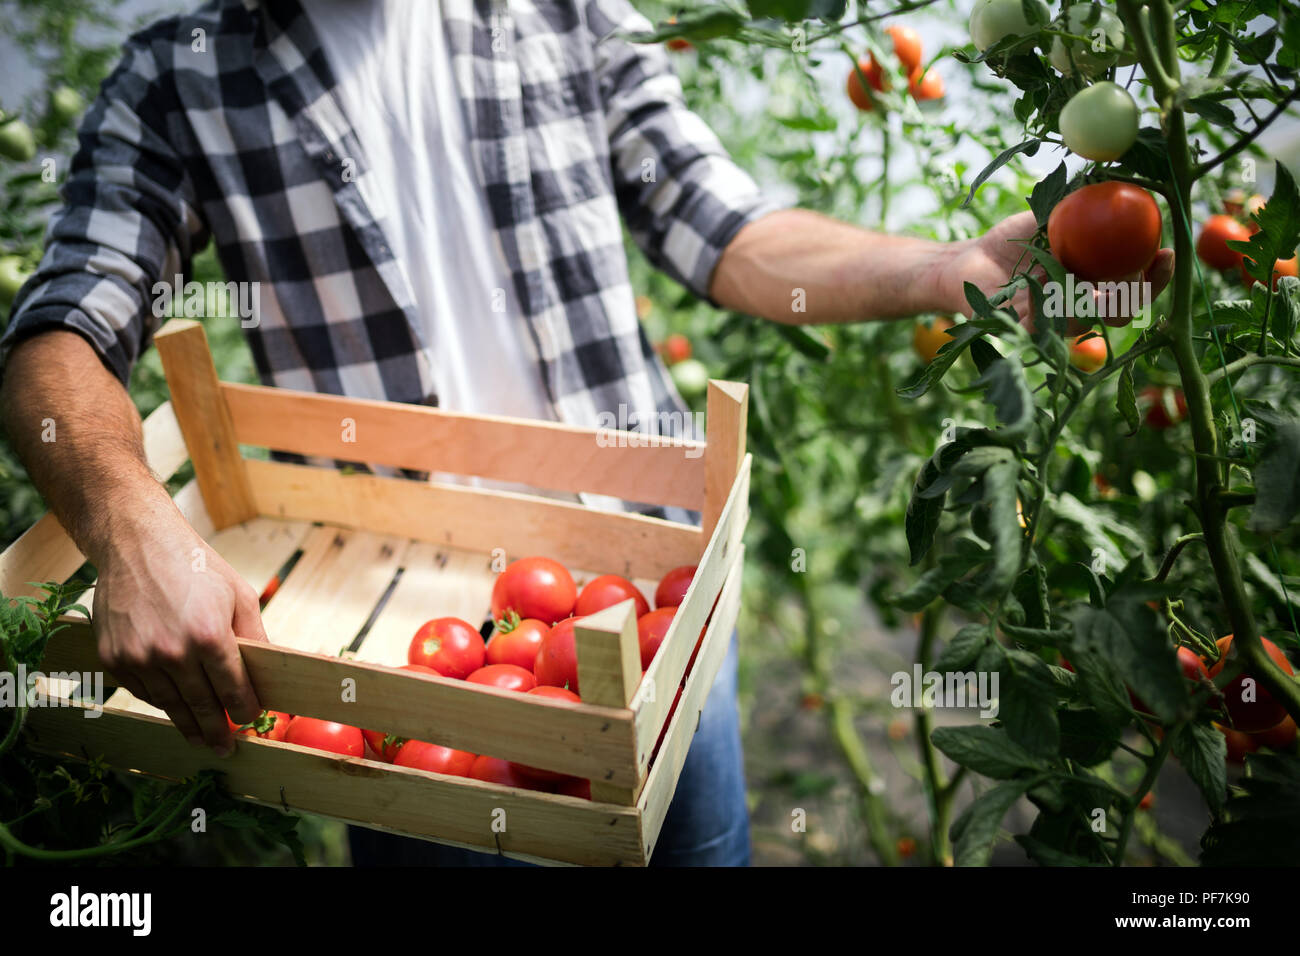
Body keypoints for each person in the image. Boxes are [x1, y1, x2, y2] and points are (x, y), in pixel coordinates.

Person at [0, 0, 1168, 866]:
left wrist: (947, 268)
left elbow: (733, 233)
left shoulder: (557, 13)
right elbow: (59, 332)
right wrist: (129, 525)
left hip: (648, 615)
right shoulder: (179, 73)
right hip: (406, 668)